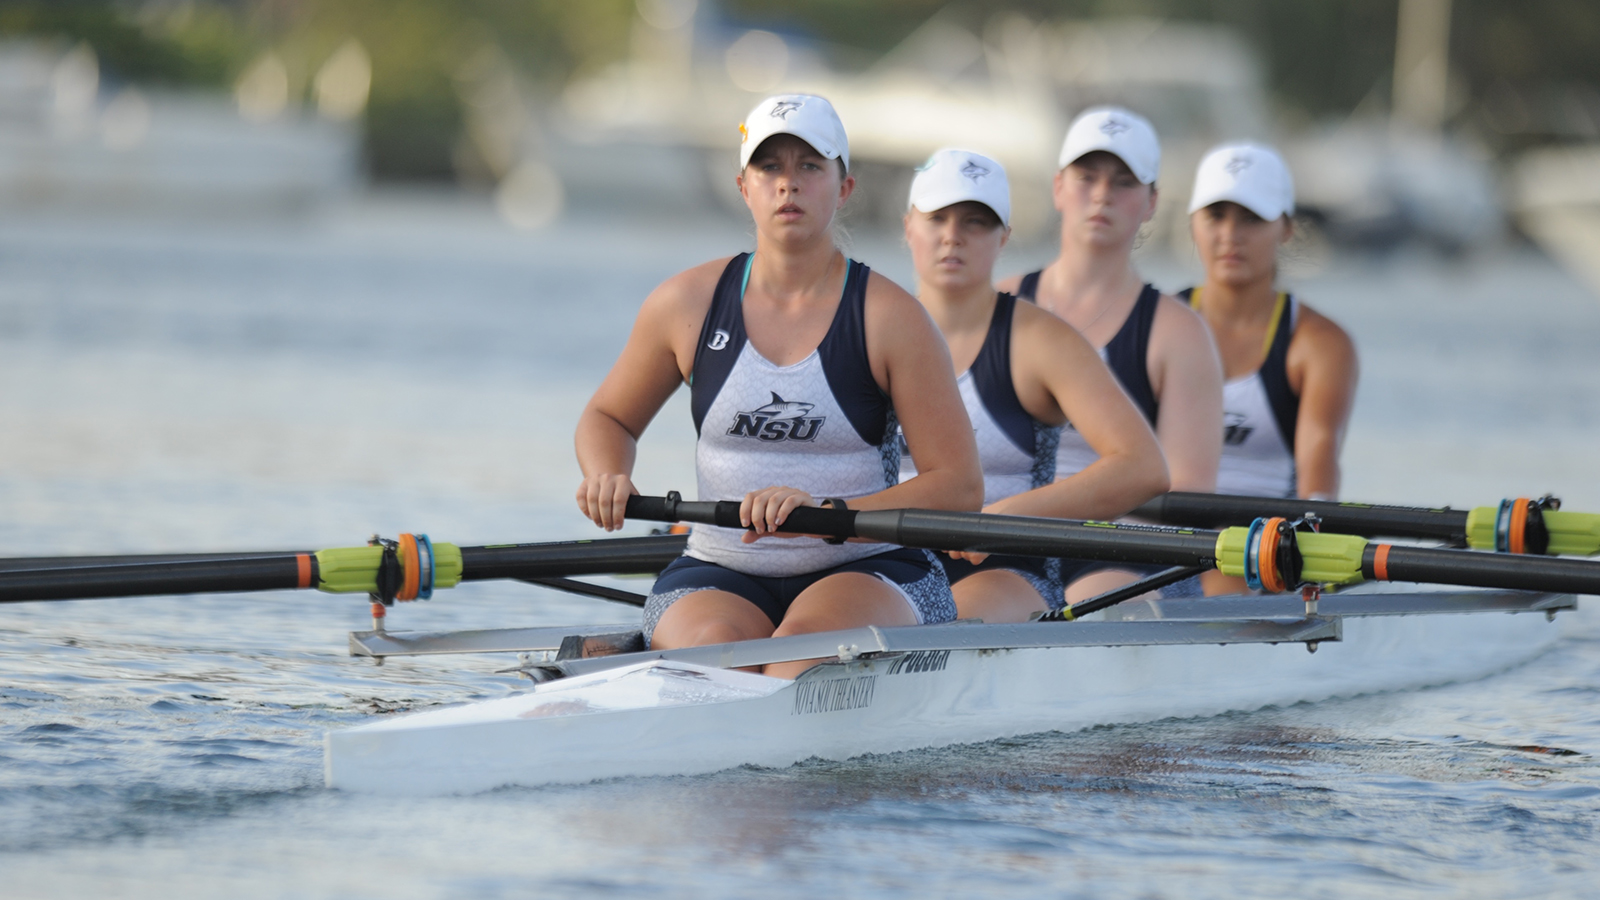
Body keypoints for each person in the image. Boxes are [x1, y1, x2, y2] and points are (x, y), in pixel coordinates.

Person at [574, 94, 983, 678]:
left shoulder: (891, 318)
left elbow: (960, 486)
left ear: (844, 187)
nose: (788, 183)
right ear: (744, 187)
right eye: (770, 167)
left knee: (796, 657)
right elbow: (608, 418)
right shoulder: (685, 304)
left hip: (870, 567)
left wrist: (831, 513)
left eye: (810, 166)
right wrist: (606, 473)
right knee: (717, 659)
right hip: (720, 568)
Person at [901, 149, 1169, 623]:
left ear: (1004, 236)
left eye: (975, 222)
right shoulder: (871, 326)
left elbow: (1142, 467)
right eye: (937, 217)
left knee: (942, 628)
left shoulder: (1042, 341)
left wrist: (1004, 517)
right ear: (909, 227)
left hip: (1002, 566)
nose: (952, 236)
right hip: (883, 558)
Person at [996, 107, 1223, 604]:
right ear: (1058, 187)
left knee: (1092, 604)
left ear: (1151, 203)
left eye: (1123, 182)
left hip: (1130, 547)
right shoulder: (999, 302)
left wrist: (1050, 505)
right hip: (1006, 533)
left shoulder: (1178, 333)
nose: (1102, 195)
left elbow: (1188, 493)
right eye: (1087, 177)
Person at [1181, 143, 1359, 592]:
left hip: (1264, 552)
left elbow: (1319, 464)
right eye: (1216, 216)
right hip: (1165, 538)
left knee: (1218, 583)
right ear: (1192, 224)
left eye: (1251, 218)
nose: (1230, 235)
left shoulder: (1318, 343)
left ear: (1286, 228)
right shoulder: (1154, 324)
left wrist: (1314, 544)